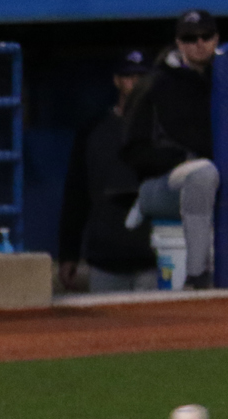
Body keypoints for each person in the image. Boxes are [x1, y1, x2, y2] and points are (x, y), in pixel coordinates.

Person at [121, 9, 228, 288]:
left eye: (205, 36)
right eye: (190, 38)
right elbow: (132, 152)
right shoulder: (155, 84)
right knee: (202, 173)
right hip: (162, 187)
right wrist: (182, 159)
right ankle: (196, 274)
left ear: (216, 39)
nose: (199, 43)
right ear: (179, 43)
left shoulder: (227, 78)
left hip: (221, 182)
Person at [58, 50, 162, 292]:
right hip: (106, 258)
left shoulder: (165, 129)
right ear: (117, 80)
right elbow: (76, 195)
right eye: (129, 76)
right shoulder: (94, 130)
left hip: (154, 259)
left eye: (141, 76)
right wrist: (68, 254)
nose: (135, 82)